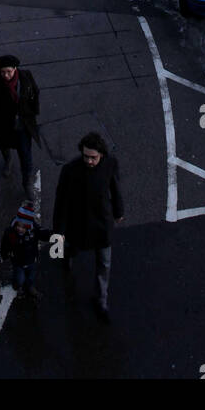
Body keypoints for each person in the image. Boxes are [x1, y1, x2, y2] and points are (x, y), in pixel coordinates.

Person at [52, 132, 124, 324]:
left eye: (93, 157)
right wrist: (58, 233)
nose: (89, 161)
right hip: (79, 225)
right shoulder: (70, 171)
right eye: (86, 156)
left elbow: (115, 189)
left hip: (102, 225)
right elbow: (61, 203)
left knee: (104, 265)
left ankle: (101, 301)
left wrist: (118, 211)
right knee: (72, 249)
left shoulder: (110, 164)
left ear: (101, 154)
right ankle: (66, 258)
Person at [0, 54, 40, 198]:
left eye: (8, 71)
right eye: (2, 72)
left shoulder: (26, 76)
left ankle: (27, 183)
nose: (5, 75)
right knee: (3, 143)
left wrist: (34, 112)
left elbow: (35, 92)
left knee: (26, 154)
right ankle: (8, 160)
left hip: (22, 123)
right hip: (3, 122)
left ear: (15, 69)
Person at [0, 199, 49, 301]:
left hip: (31, 260)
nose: (20, 229)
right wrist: (4, 255)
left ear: (28, 226)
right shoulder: (10, 232)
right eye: (18, 225)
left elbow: (43, 234)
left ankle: (30, 287)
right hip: (18, 261)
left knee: (31, 276)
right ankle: (18, 286)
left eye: (23, 227)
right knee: (20, 278)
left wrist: (54, 234)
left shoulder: (34, 230)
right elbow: (4, 244)